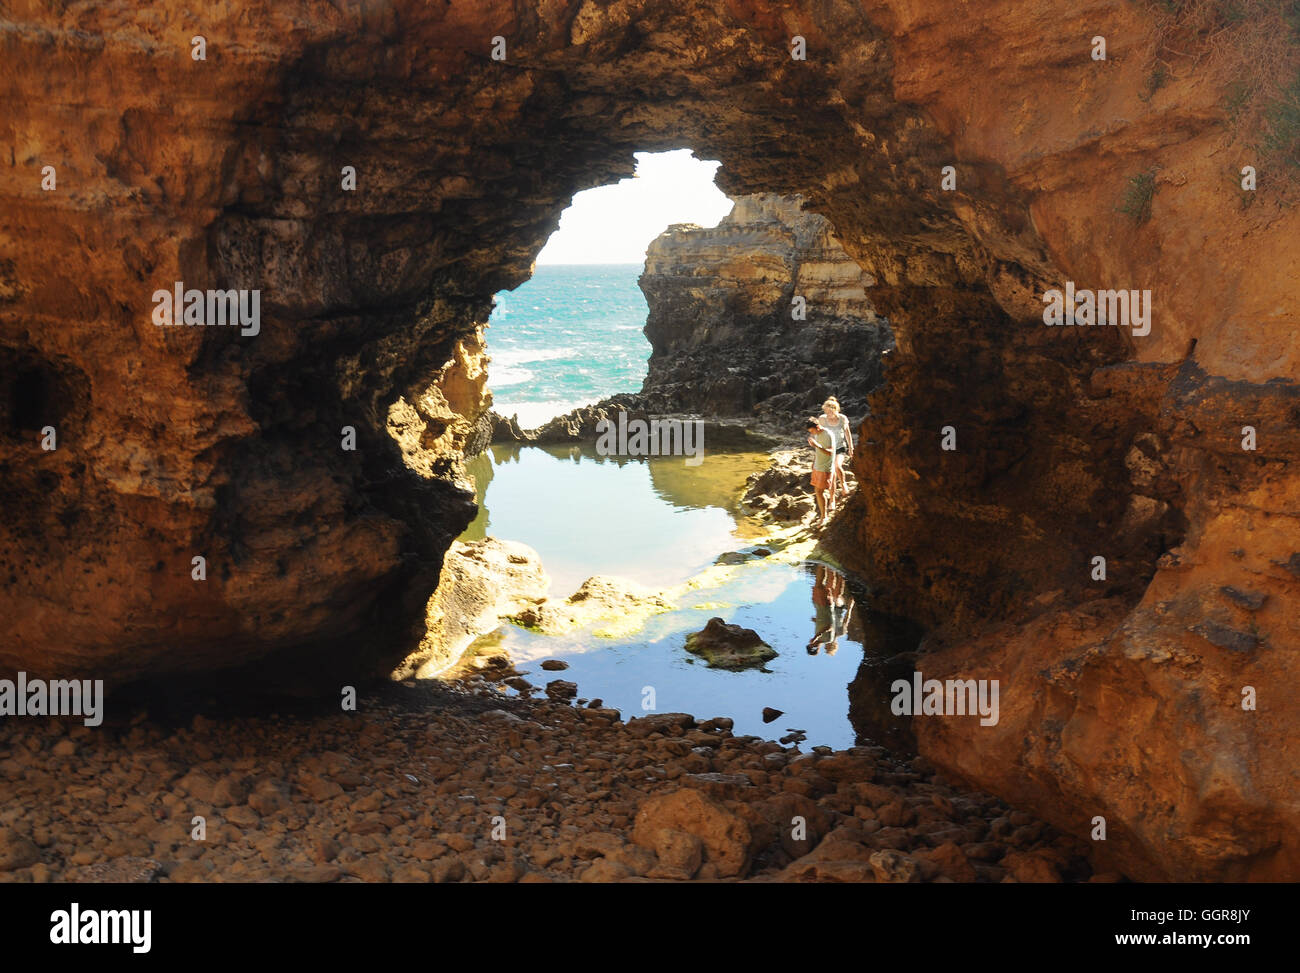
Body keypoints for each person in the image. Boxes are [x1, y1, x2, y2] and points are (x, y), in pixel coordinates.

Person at [817, 397, 853, 505]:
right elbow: (818, 434)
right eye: (826, 412)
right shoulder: (822, 419)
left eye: (829, 412)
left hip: (840, 447)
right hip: (828, 449)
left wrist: (851, 448)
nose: (827, 414)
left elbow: (848, 433)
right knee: (831, 474)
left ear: (835, 409)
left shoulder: (842, 419)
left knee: (837, 466)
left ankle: (843, 484)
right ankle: (832, 499)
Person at [806, 417, 833, 527]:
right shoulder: (817, 435)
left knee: (819, 491)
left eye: (812, 431)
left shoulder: (828, 434)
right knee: (817, 491)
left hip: (825, 467)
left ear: (817, 427)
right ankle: (823, 514)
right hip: (818, 466)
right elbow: (818, 451)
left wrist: (817, 445)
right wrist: (814, 463)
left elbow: (830, 452)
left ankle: (824, 516)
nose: (812, 434)